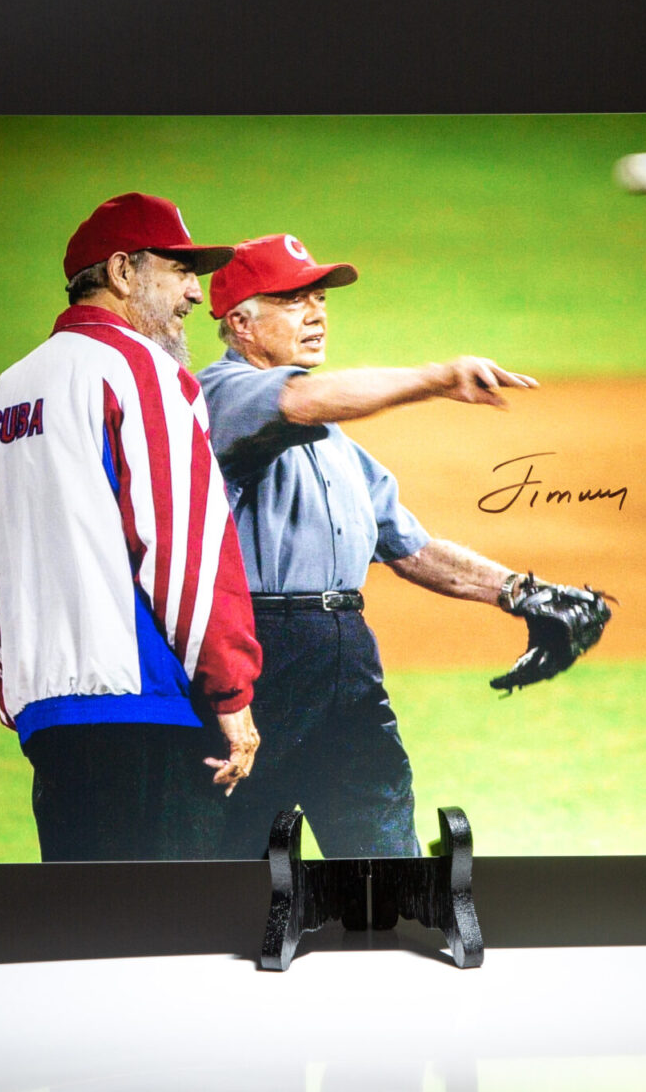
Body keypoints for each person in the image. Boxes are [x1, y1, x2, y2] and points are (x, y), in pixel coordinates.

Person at [198, 232, 545, 860]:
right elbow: (300, 400)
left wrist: (522, 593)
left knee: (381, 837)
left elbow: (410, 547)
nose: (316, 312)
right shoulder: (215, 396)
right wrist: (435, 377)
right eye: (291, 299)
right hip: (260, 652)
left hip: (344, 653)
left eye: (320, 298)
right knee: (244, 844)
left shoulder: (333, 438)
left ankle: (383, 942)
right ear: (240, 323)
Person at [0, 192, 262, 861]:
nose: (196, 292)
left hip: (51, 720)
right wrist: (232, 695)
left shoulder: (3, 395)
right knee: (173, 931)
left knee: (87, 925)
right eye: (180, 269)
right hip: (148, 712)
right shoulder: (140, 370)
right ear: (123, 271)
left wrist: (26, 700)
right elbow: (187, 550)